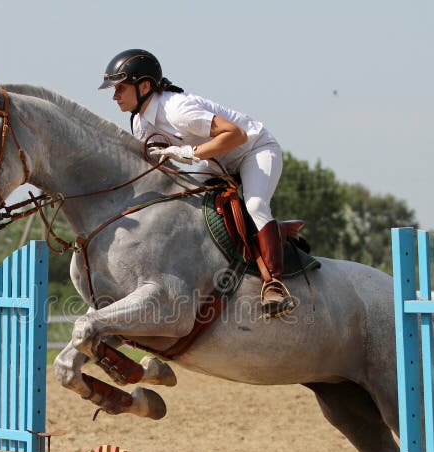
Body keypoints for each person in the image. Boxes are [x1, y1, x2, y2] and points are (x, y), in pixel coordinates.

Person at [99, 49, 295, 319]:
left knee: (256, 204)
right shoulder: (139, 122)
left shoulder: (177, 109)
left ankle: (274, 284)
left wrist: (190, 154)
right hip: (216, 162)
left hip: (254, 150)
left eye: (120, 88)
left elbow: (235, 135)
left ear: (144, 86)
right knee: (183, 204)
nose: (114, 96)